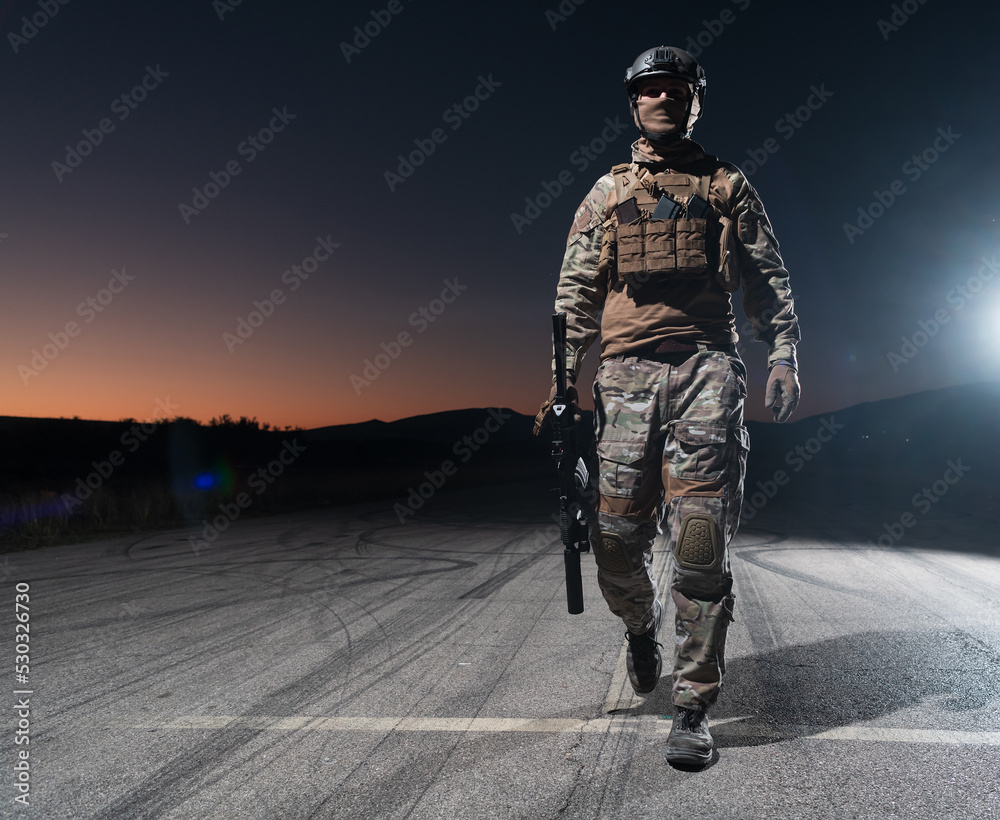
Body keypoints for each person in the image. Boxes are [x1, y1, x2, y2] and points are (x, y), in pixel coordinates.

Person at [534, 45, 801, 766]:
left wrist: (782, 353)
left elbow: (767, 278)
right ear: (633, 104)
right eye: (649, 90)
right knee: (615, 542)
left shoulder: (725, 185)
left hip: (705, 371)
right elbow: (576, 293)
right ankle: (638, 629)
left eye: (675, 89)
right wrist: (563, 382)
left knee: (699, 544)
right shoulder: (606, 193)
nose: (662, 99)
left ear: (694, 100)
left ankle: (692, 705)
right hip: (622, 380)